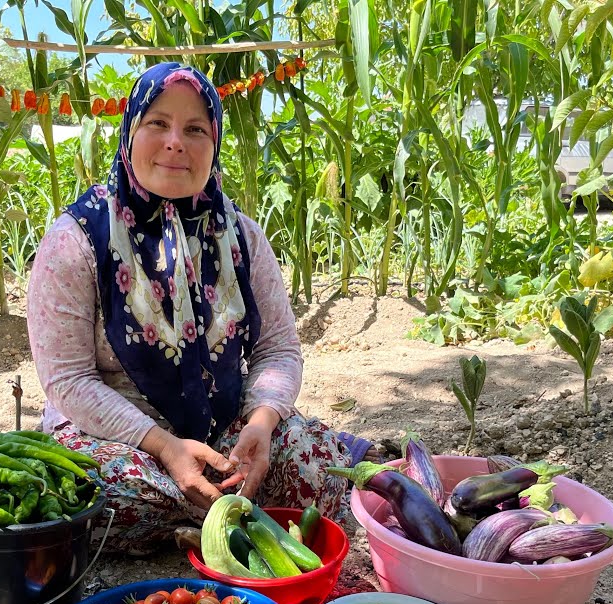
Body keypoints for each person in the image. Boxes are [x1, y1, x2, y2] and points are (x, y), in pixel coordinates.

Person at [27, 62, 370, 554]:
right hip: (122, 440)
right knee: (97, 494)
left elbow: (278, 350)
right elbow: (67, 379)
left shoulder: (242, 236)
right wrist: (166, 448)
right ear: (130, 131)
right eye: (158, 123)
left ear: (214, 143)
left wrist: (260, 425)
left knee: (315, 466)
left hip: (225, 428)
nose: (175, 142)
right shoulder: (76, 239)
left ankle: (204, 515)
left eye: (195, 129)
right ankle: (227, 518)